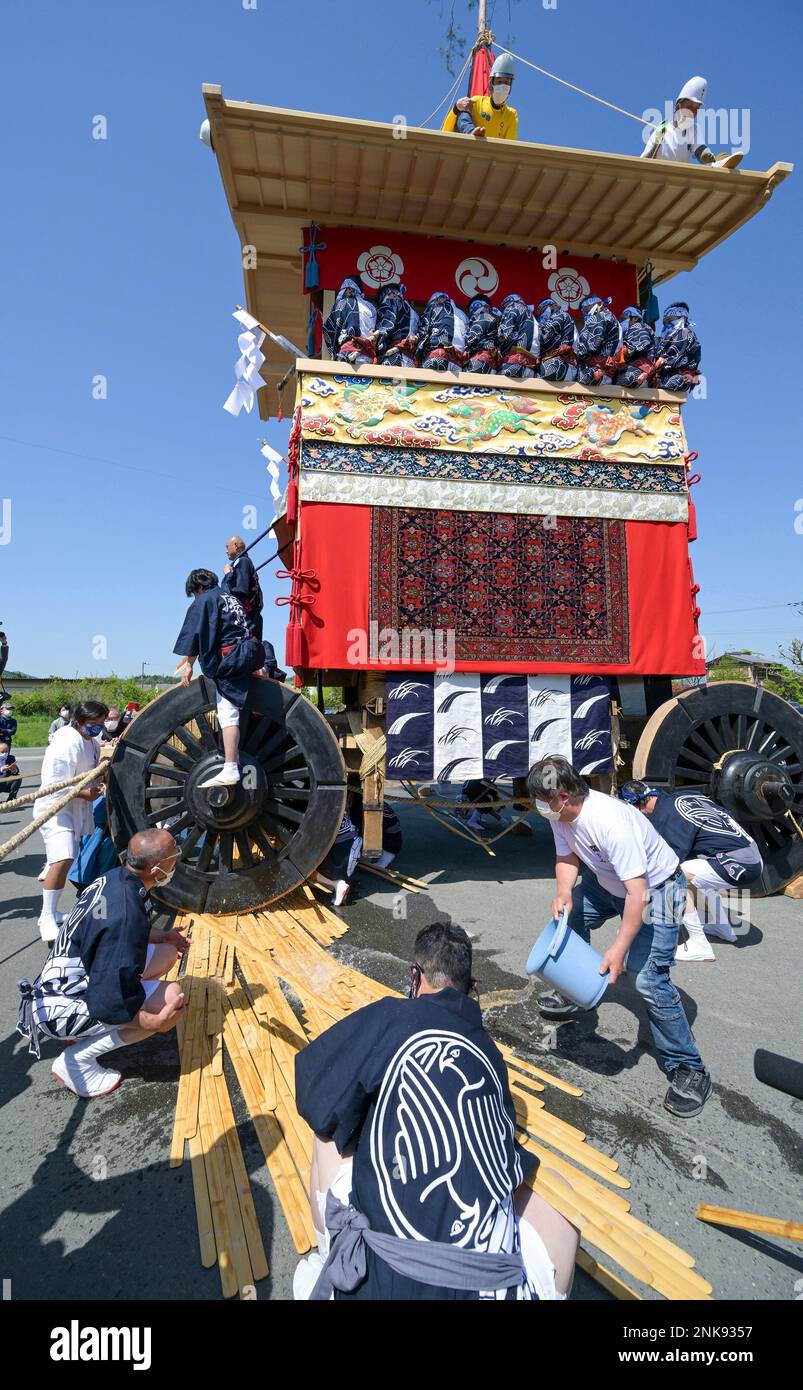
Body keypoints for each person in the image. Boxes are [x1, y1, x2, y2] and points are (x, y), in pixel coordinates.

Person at [293, 921, 579, 1300]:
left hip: (380, 1281)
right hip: (488, 1284)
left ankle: (330, 1258)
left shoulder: (391, 1016)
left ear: (415, 976)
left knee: (326, 1131)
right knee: (565, 1218)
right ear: (472, 989)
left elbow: (316, 1092)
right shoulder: (490, 1056)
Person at [528, 756, 711, 1118]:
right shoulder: (560, 815)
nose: (537, 807)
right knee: (572, 913)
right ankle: (576, 992)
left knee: (646, 978)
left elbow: (638, 894)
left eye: (542, 800)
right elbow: (566, 856)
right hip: (607, 884)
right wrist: (564, 891)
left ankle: (689, 1068)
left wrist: (618, 949)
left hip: (657, 892)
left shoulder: (610, 822)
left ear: (563, 796)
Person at [16, 829, 187, 1099]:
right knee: (170, 1004)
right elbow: (109, 996)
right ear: (156, 869)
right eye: (174, 854)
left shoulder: (116, 879)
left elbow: (115, 935)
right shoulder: (126, 913)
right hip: (60, 1009)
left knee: (166, 952)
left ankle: (88, 1032)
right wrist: (151, 1022)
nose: (178, 857)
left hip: (66, 982)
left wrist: (164, 936)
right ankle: (77, 1061)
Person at [617, 780, 763, 962]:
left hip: (740, 864)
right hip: (752, 854)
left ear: (637, 808)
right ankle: (722, 928)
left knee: (675, 875)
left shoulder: (665, 818)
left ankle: (699, 944)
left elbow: (668, 865)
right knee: (697, 871)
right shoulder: (683, 794)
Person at [173, 568, 270, 789]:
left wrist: (188, 663)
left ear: (197, 587)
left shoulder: (206, 599)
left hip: (233, 658)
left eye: (194, 592)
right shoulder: (230, 597)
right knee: (234, 705)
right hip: (251, 653)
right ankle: (258, 671)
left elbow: (197, 632)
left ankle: (230, 768)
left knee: (227, 713)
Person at [33, 700, 108, 944]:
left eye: (101, 723)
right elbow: (57, 783)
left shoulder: (91, 743)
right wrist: (86, 792)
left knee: (67, 857)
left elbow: (92, 772)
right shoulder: (66, 741)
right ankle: (45, 918)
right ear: (79, 721)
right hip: (55, 808)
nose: (98, 728)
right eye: (93, 724)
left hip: (74, 808)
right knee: (63, 857)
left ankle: (53, 911)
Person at [641, 76, 727, 166]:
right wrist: (656, 143)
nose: (693, 113)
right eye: (690, 107)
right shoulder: (661, 131)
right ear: (678, 107)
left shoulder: (693, 130)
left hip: (678, 178)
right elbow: (643, 161)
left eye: (696, 109)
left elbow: (700, 149)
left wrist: (707, 156)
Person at [443, 52, 518, 141]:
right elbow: (445, 131)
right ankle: (470, 131)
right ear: (491, 83)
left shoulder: (511, 115)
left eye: (506, 82)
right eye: (499, 81)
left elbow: (509, 147)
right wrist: (456, 109)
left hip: (491, 153)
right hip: (469, 148)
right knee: (465, 107)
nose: (502, 86)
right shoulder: (477, 102)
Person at [322, 277, 377, 365]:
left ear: (350, 289)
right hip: (367, 355)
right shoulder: (371, 308)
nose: (341, 293)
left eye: (344, 290)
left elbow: (328, 328)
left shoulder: (343, 303)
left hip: (347, 351)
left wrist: (333, 351)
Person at [221, 535, 264, 641]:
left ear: (236, 546)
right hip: (251, 615)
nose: (226, 551)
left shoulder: (243, 561)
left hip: (247, 617)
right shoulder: (244, 562)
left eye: (227, 547)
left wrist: (227, 575)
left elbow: (239, 590)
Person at [575, 295, 622, 386]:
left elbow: (591, 346)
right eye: (584, 313)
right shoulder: (612, 318)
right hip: (608, 371)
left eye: (587, 311)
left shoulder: (600, 317)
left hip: (598, 370)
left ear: (599, 304)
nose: (586, 315)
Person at [655, 302, 702, 392]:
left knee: (677, 381)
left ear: (682, 318)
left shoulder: (686, 333)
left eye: (671, 319)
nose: (668, 323)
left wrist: (662, 360)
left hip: (680, 376)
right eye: (666, 321)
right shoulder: (663, 339)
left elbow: (675, 353)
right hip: (663, 375)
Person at [416, 291, 467, 373]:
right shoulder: (463, 315)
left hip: (437, 355)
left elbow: (424, 333)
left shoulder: (435, 307)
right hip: (457, 362)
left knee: (426, 384)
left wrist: (417, 355)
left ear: (439, 299)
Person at [371, 283, 419, 368]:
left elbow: (386, 326)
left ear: (391, 294)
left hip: (393, 354)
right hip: (409, 358)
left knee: (388, 380)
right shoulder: (413, 312)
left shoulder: (391, 304)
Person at [497, 294, 540, 378]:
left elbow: (503, 334)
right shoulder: (533, 318)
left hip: (514, 362)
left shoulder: (514, 307)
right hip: (531, 367)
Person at [615, 306, 657, 388]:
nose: (621, 322)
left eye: (624, 319)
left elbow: (643, 345)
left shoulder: (638, 326)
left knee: (623, 380)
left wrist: (625, 351)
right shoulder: (628, 332)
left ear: (634, 318)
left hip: (640, 370)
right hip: (636, 370)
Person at [536, 299, 577, 383]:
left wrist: (541, 325)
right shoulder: (565, 316)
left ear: (554, 305)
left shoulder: (560, 315)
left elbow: (543, 339)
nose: (542, 314)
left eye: (544, 309)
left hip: (558, 363)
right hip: (567, 365)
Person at [464, 294, 500, 374]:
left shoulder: (482, 317)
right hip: (491, 361)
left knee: (471, 386)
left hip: (479, 359)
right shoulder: (493, 321)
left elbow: (472, 340)